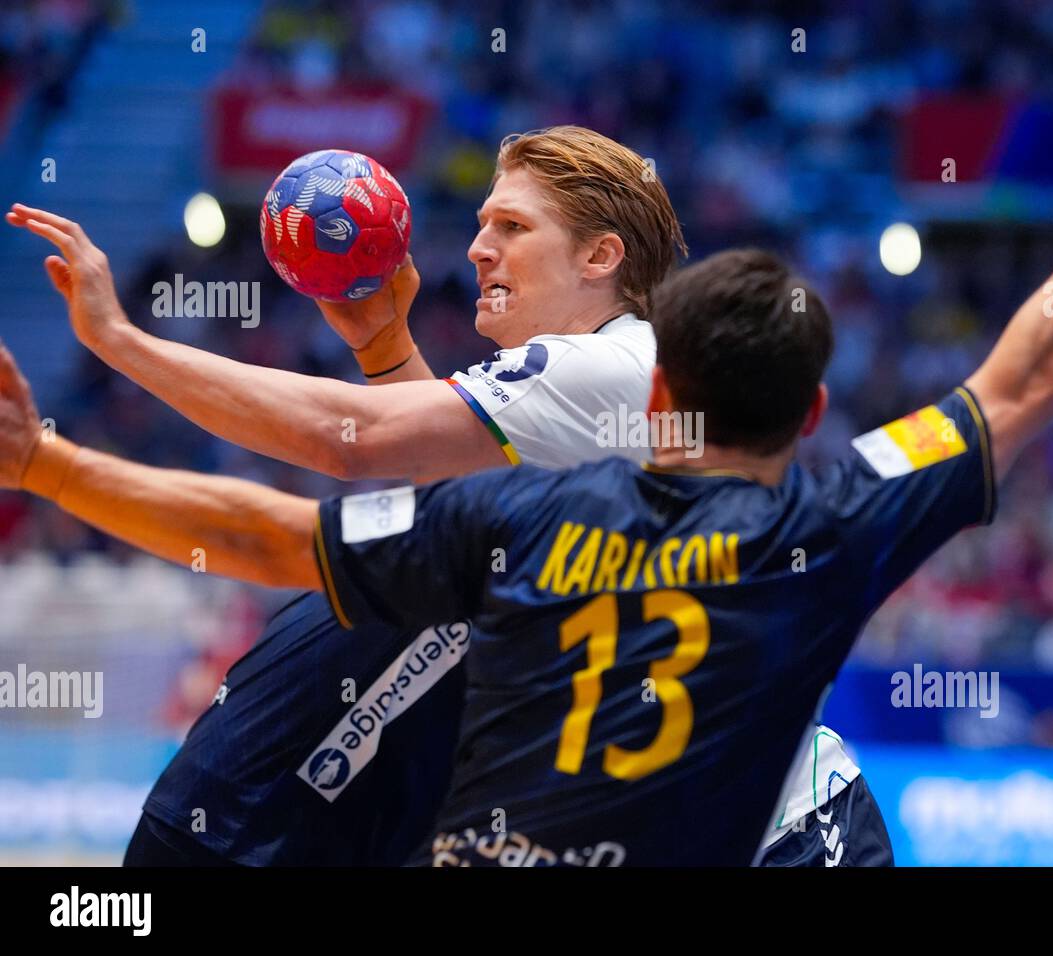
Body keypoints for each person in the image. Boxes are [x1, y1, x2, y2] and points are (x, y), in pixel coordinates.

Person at [8, 125, 872, 866]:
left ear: (600, 257)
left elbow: (345, 439)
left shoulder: (620, 368)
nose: (476, 247)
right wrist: (386, 349)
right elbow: (474, 495)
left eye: (511, 225)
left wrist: (120, 342)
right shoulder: (611, 390)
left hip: (781, 833)